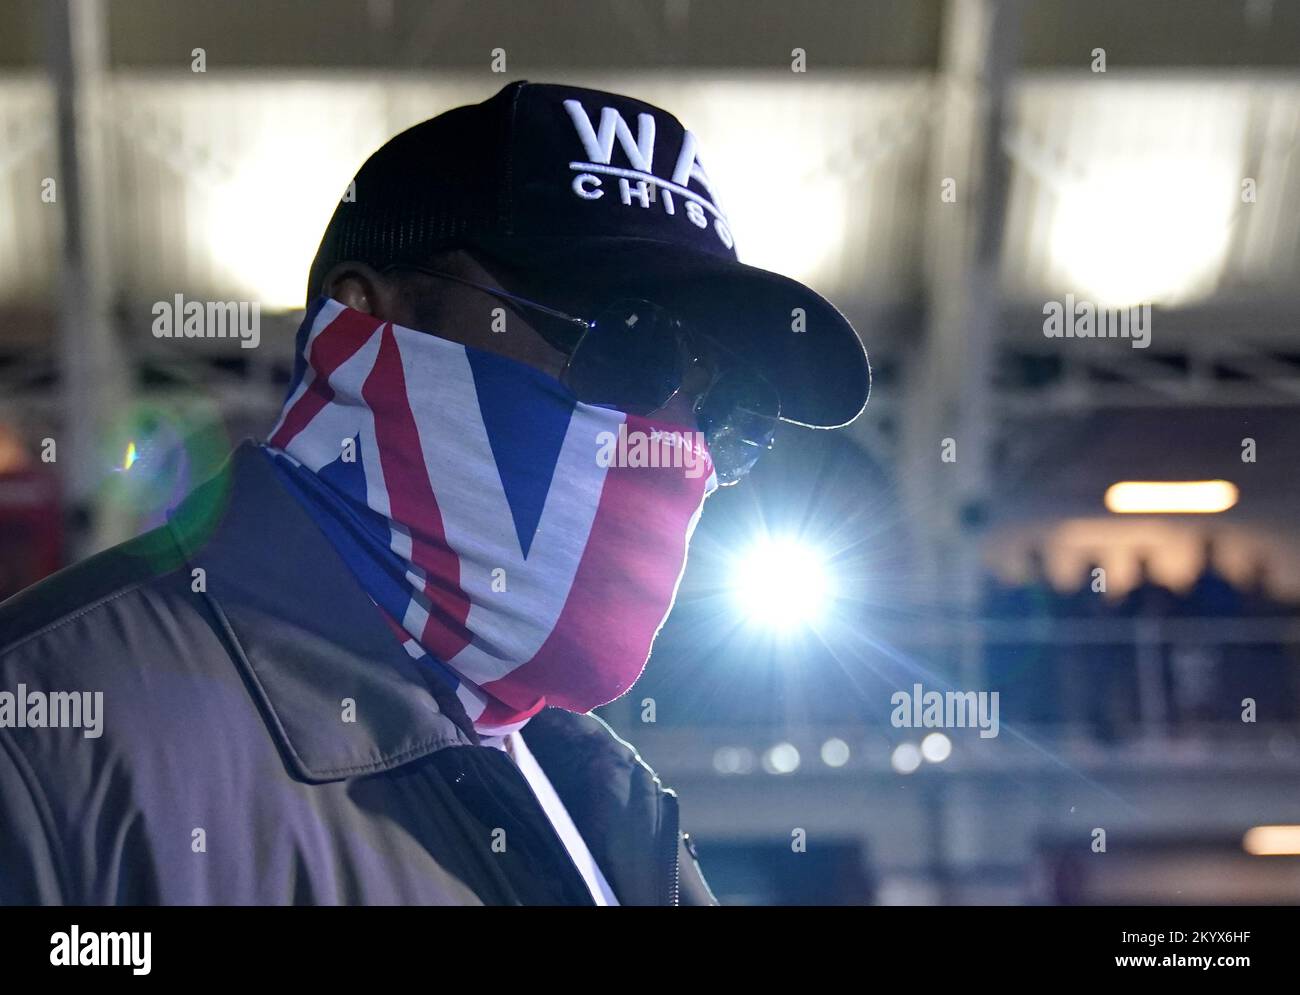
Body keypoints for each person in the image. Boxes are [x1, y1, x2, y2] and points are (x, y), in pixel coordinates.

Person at [0, 81, 870, 904]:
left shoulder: (604, 809)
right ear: (371, 325)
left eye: (727, 406)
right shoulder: (47, 742)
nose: (675, 434)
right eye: (630, 350)